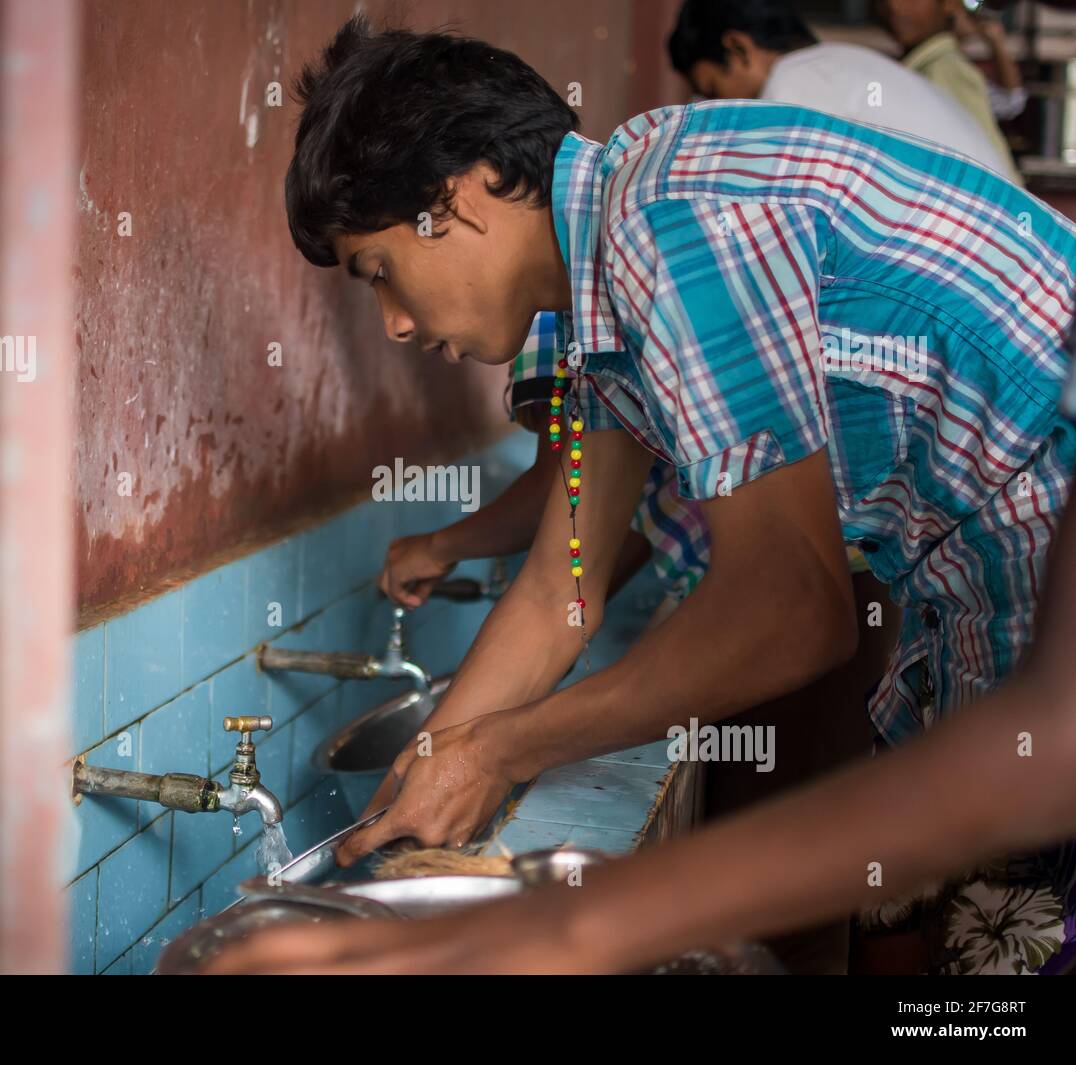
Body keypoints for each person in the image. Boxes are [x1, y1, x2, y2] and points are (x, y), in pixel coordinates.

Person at [258, 17, 1076, 974]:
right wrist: (421, 786)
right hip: (985, 586)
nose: (393, 323)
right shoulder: (601, 285)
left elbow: (793, 609)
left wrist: (508, 747)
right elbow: (562, 591)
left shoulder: (670, 219)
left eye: (381, 273)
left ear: (459, 198)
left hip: (1038, 563)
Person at [668, 0, 1017, 181]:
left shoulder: (793, 83)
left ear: (739, 49)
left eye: (713, 90)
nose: (713, 106)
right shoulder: (837, 63)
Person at [876, 0, 1022, 182]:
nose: (894, 6)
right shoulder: (923, 69)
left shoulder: (944, 71)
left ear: (950, 5)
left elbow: (980, 166)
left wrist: (996, 43)